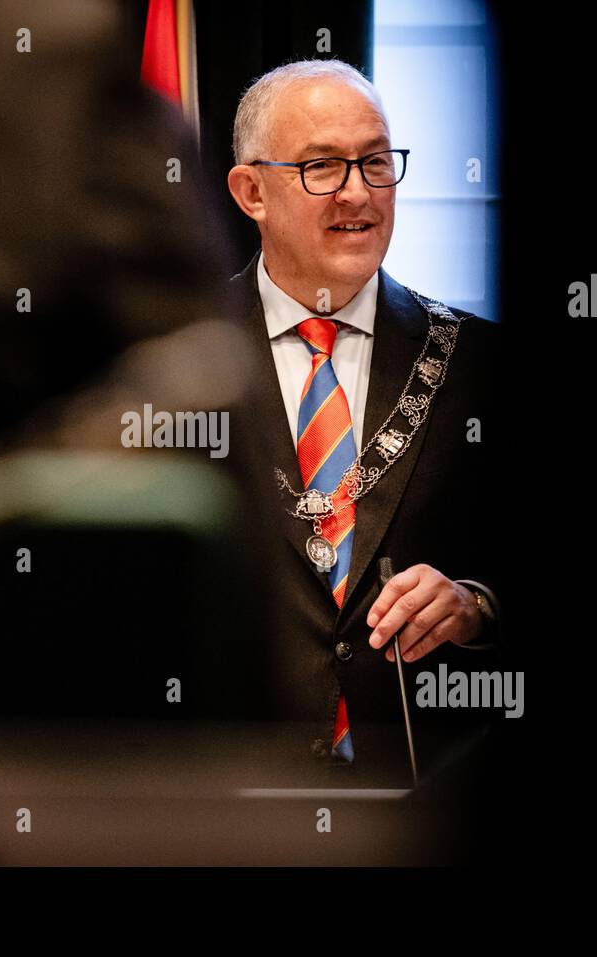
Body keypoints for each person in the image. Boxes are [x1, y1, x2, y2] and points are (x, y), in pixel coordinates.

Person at [223, 59, 508, 783]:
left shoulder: (481, 363)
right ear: (251, 190)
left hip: (427, 799)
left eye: (376, 162)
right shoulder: (182, 360)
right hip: (226, 796)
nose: (358, 192)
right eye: (322, 166)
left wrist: (476, 605)